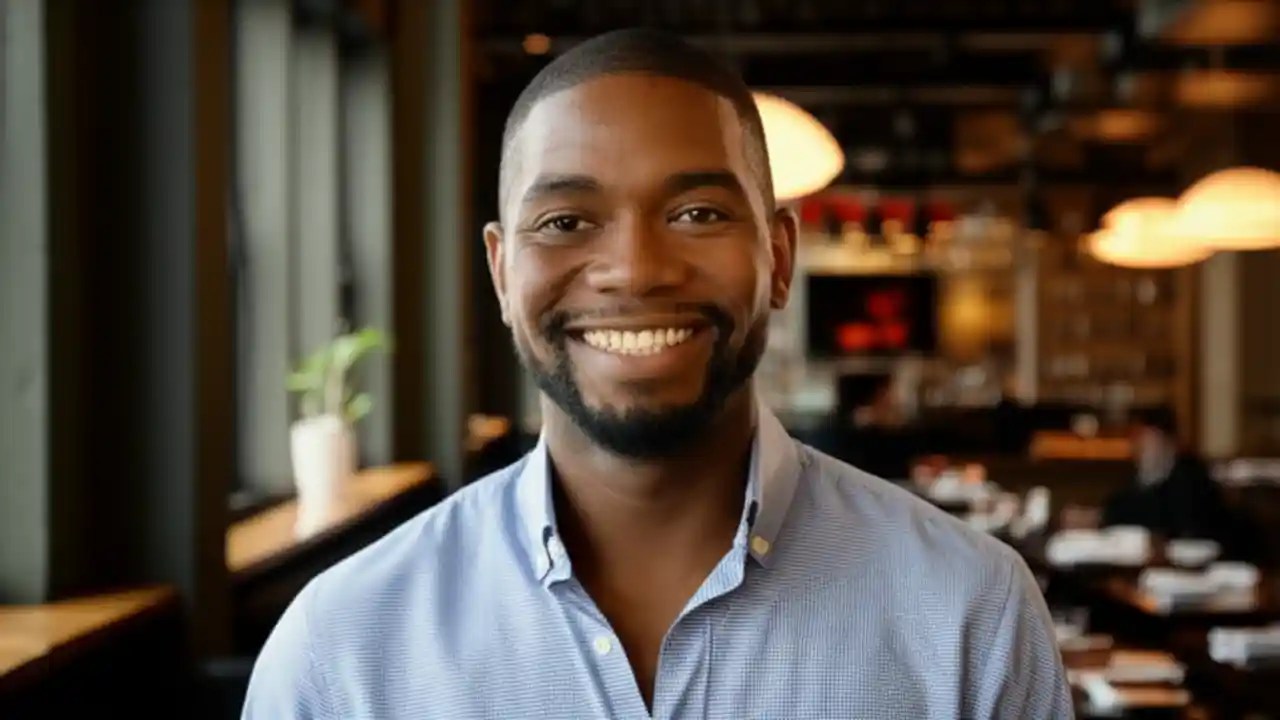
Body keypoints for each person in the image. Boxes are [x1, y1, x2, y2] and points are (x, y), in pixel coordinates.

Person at [243, 29, 1071, 719]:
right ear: (501, 273)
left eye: (697, 214)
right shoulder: (342, 648)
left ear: (778, 257)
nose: (635, 271)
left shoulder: (971, 614)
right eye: (566, 221)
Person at [1102, 408, 1256, 559]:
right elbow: (1116, 515)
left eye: (1145, 438)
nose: (1138, 446)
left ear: (1168, 440)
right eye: (1135, 439)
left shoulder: (1192, 478)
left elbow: (1186, 527)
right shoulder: (1138, 479)